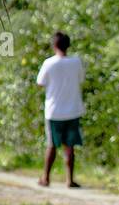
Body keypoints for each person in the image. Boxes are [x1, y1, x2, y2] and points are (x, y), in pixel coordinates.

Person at [36, 31, 85, 188]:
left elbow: (40, 82)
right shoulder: (76, 62)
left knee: (52, 145)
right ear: (68, 45)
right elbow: (81, 79)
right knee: (69, 146)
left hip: (54, 111)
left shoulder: (49, 63)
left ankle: (46, 177)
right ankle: (69, 179)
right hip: (73, 109)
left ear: (54, 45)